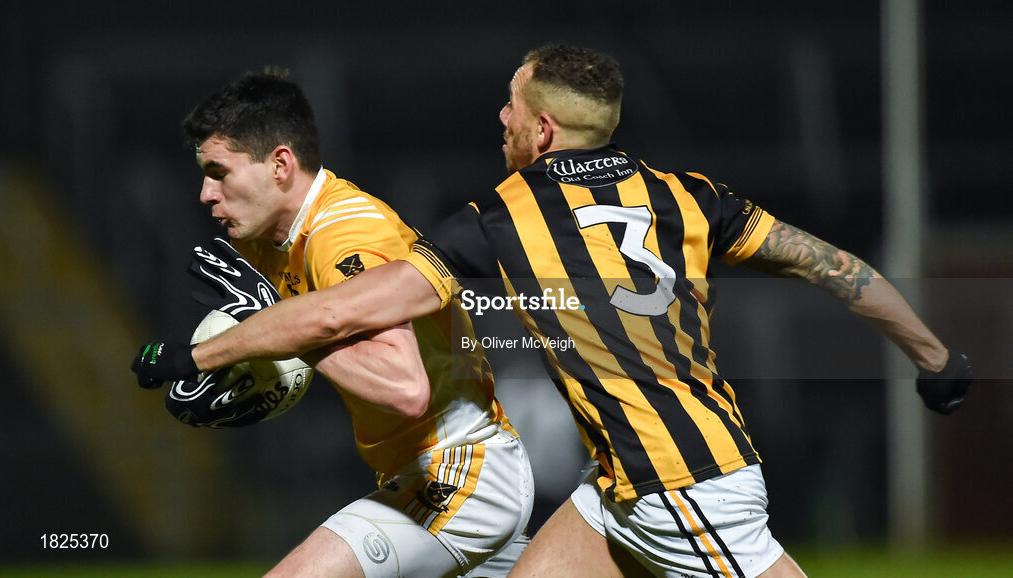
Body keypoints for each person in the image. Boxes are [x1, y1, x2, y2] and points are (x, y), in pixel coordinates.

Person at [134, 46, 973, 577]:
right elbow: (835, 266)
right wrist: (934, 358)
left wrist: (200, 353)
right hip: (613, 488)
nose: (498, 117)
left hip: (685, 483)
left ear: (540, 131)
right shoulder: (687, 196)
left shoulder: (505, 216)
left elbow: (352, 310)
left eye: (510, 104)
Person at [135, 70, 534, 578]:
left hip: (460, 467)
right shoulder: (268, 242)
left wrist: (285, 330)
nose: (206, 193)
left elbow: (404, 387)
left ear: (280, 164)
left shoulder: (345, 233)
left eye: (219, 172)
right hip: (423, 470)